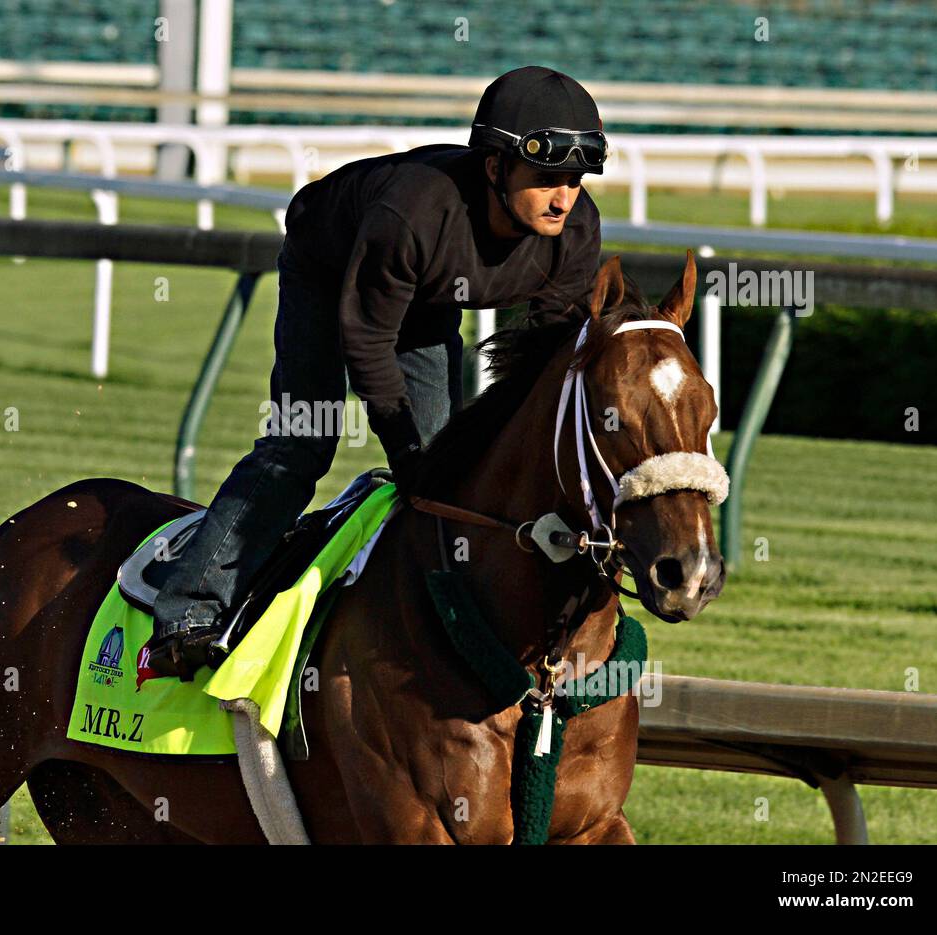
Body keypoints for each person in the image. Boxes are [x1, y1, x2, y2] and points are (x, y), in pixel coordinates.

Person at [147, 65, 608, 678]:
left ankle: (434, 613)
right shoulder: (412, 216)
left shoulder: (575, 231)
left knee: (450, 473)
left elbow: (542, 363)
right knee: (301, 444)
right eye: (546, 179)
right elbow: (366, 343)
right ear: (495, 168)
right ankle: (190, 606)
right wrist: (408, 454)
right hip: (329, 267)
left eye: (574, 180)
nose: (563, 198)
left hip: (428, 293)